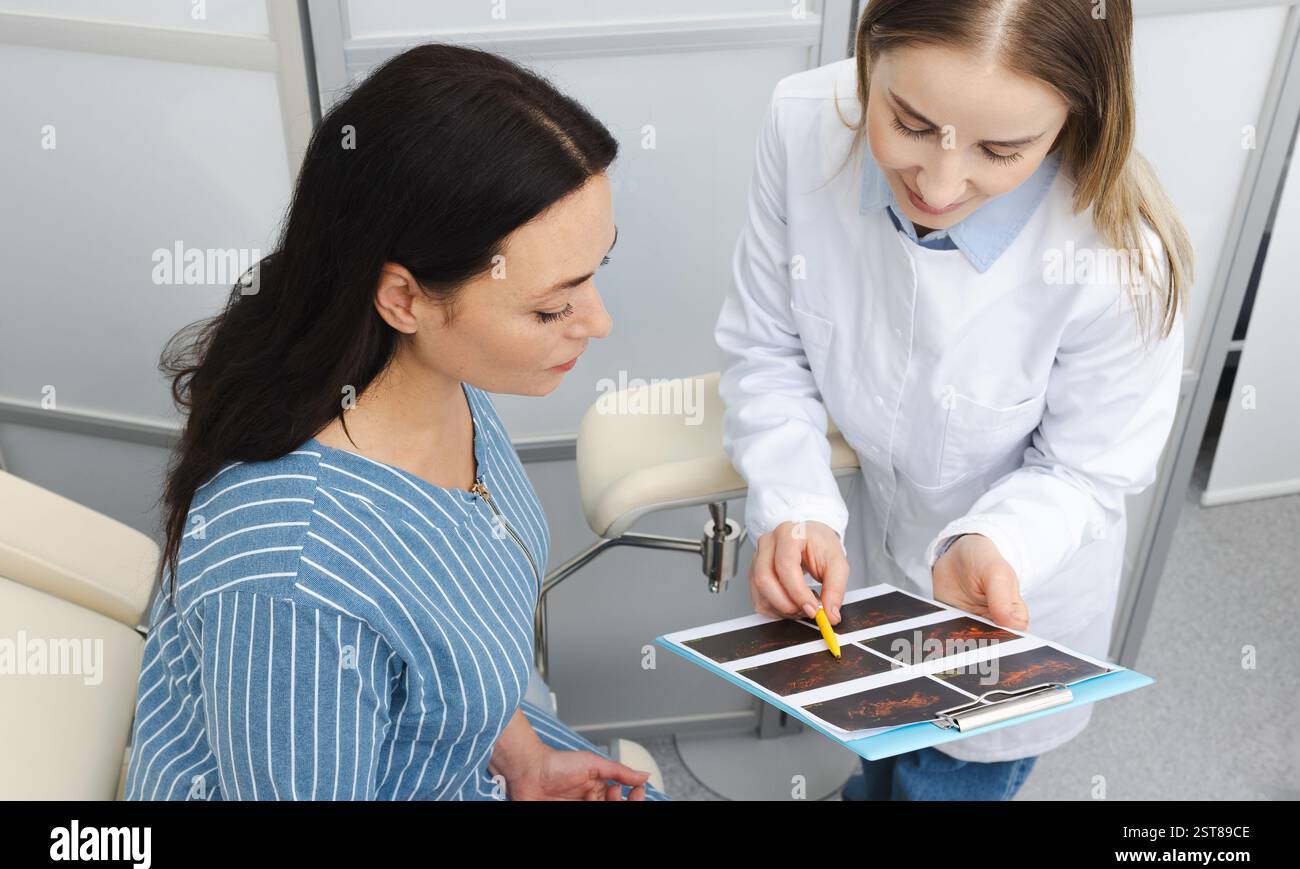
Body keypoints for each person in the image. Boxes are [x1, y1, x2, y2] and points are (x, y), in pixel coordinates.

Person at [123, 43, 666, 801]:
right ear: (405, 299)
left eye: (593, 275)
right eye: (551, 307)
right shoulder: (296, 583)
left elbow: (444, 648)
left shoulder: (436, 376)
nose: (597, 323)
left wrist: (520, 757)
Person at [714, 0, 1190, 800]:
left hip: (1014, 597)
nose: (938, 184)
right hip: (864, 562)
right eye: (906, 121)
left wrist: (996, 539)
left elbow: (1088, 469)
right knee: (877, 754)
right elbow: (769, 349)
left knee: (949, 779)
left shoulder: (1117, 255)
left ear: (1078, 116)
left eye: (1002, 150)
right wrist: (795, 504)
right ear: (870, 53)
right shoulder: (803, 125)